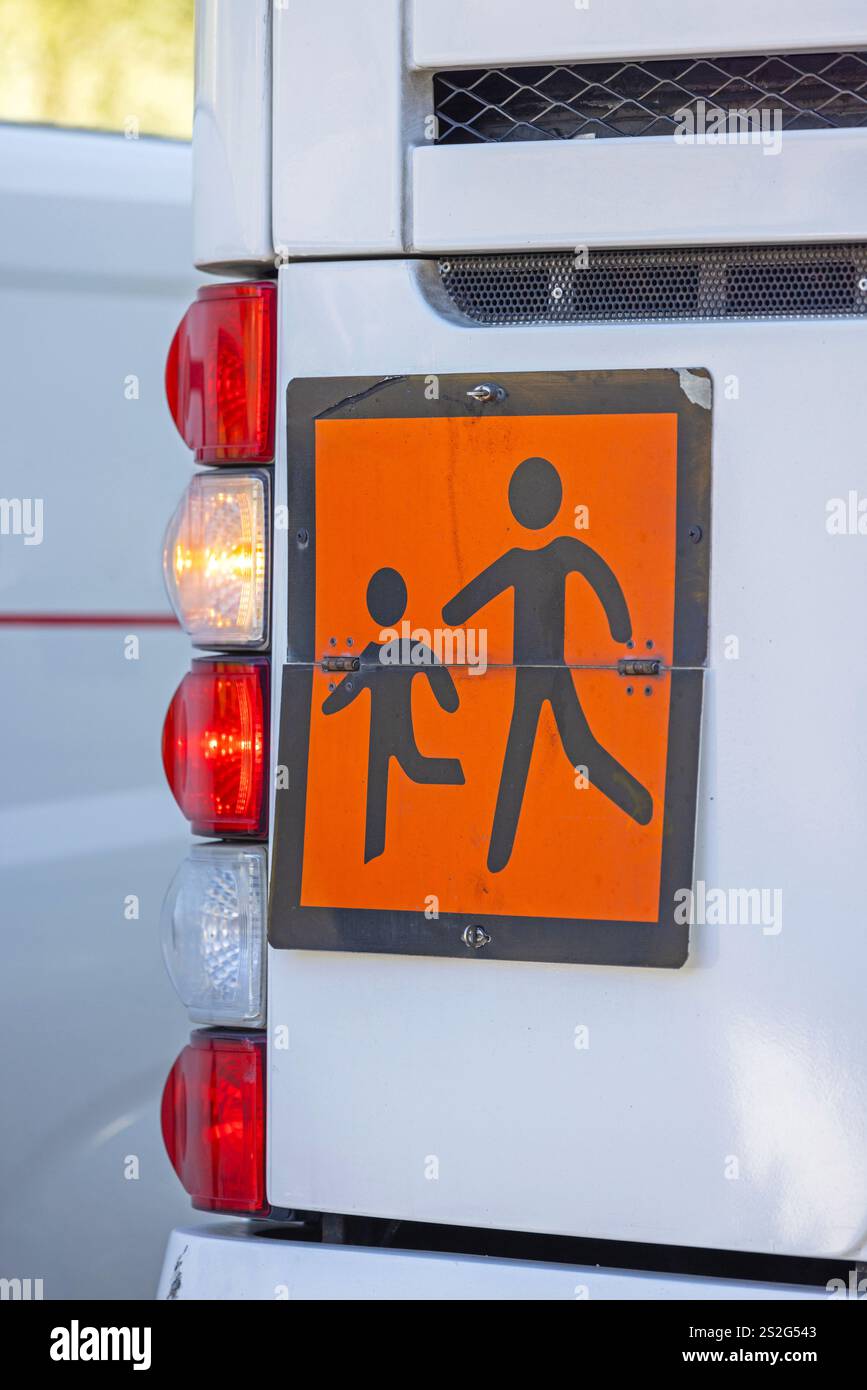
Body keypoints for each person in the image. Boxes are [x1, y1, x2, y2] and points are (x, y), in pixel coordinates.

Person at [442, 455, 653, 872]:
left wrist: (620, 629)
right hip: (546, 674)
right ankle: (637, 804)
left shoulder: (538, 556)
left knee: (537, 754)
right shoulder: (551, 553)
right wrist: (620, 629)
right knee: (555, 751)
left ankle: (637, 805)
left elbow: (460, 605)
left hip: (543, 673)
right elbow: (465, 602)